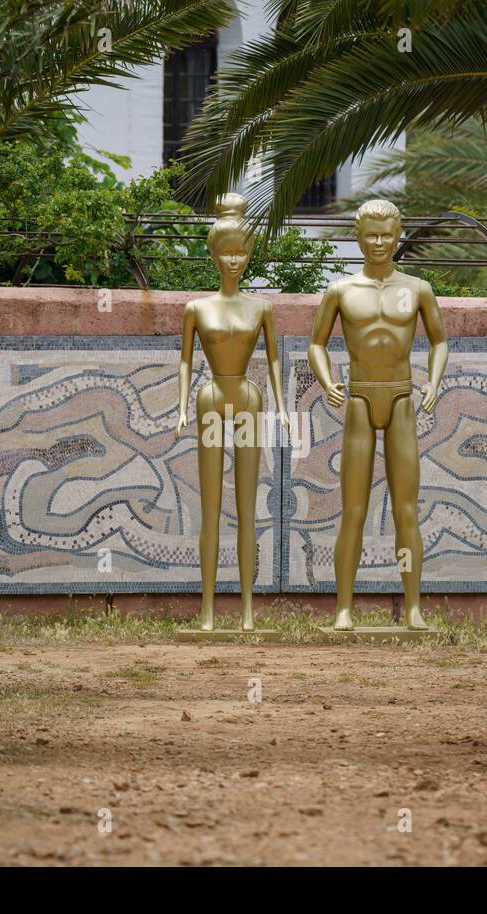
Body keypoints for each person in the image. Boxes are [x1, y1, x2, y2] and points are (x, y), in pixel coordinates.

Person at [308, 199, 448, 630]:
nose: (380, 242)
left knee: (407, 509)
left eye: (387, 234)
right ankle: (344, 608)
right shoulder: (341, 291)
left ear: (398, 234)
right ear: (358, 236)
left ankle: (413, 608)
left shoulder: (418, 289)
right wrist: (326, 379)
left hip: (403, 398)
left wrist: (433, 382)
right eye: (371, 235)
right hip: (359, 399)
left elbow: (440, 342)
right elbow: (316, 343)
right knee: (353, 509)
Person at [175, 194, 289, 630]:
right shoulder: (196, 308)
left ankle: (245, 611)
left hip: (247, 398)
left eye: (241, 251)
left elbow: (274, 359)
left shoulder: (261, 307)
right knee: (211, 507)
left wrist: (281, 406)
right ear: (213, 253)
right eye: (227, 252)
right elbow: (185, 360)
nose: (234, 259)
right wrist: (182, 404)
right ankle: (206, 609)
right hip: (208, 400)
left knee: (246, 507)